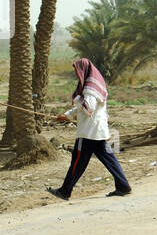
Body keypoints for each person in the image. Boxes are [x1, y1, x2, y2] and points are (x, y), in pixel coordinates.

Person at [46, 57, 131, 200]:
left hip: (88, 133)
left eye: (77, 70)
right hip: (97, 131)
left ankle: (64, 191)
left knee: (78, 161)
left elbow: (88, 107)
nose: (76, 73)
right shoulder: (95, 85)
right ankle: (123, 185)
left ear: (84, 70)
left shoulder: (89, 88)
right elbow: (83, 107)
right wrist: (66, 115)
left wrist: (77, 100)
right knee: (108, 158)